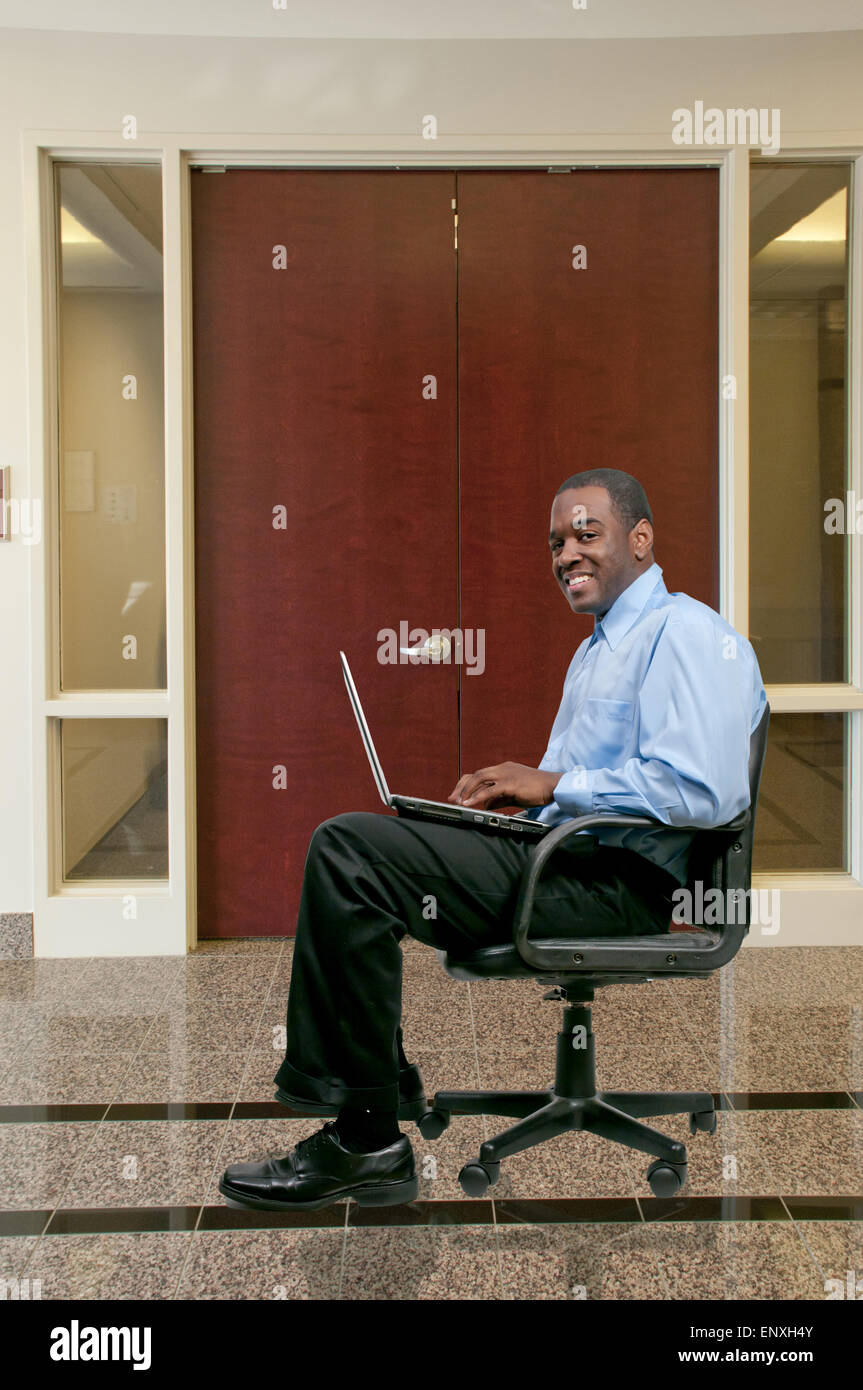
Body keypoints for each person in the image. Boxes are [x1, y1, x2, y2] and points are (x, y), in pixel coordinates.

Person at [219, 468, 767, 1212]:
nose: (565, 553)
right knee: (375, 850)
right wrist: (498, 821)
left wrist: (553, 784)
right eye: (554, 542)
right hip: (569, 864)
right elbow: (585, 790)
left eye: (585, 533)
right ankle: (374, 1109)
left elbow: (705, 791)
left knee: (349, 849)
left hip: (618, 890)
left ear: (640, 540)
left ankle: (366, 1136)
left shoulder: (688, 635)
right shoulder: (598, 649)